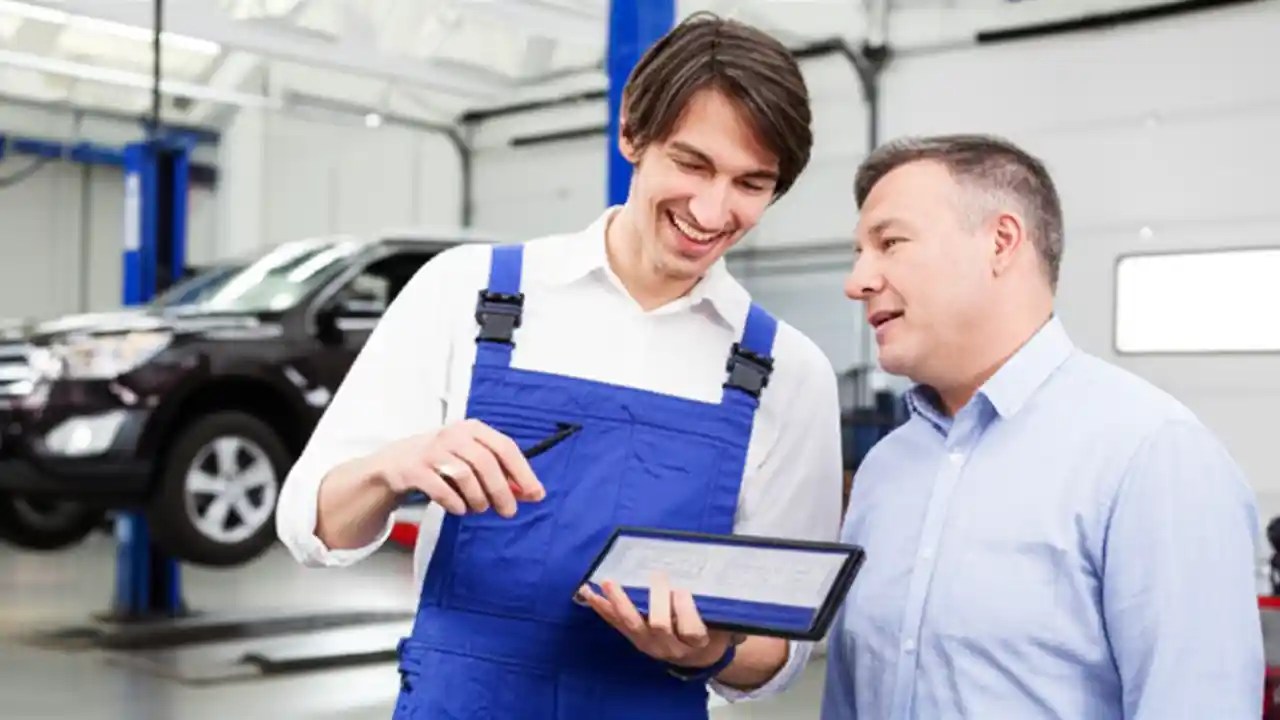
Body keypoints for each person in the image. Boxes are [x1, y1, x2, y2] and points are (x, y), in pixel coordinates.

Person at [275, 12, 845, 719]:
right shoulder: (468, 292)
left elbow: (778, 647)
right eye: (692, 164)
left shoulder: (790, 374)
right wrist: (398, 465)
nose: (712, 208)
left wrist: (708, 652)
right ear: (632, 133)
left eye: (750, 183)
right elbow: (313, 525)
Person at [822, 134, 1265, 719]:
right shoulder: (886, 469)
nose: (858, 281)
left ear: (1001, 242)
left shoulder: (1150, 456)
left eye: (890, 243)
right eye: (859, 253)